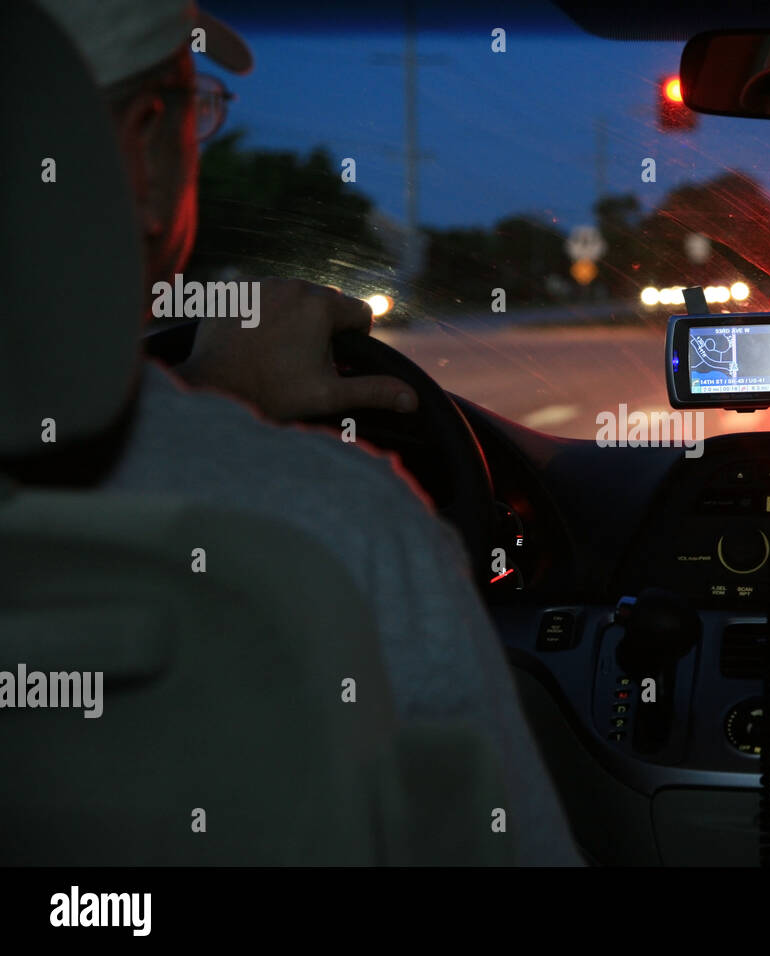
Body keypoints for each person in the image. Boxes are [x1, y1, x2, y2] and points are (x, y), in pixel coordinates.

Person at [34, 0, 581, 865]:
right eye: (198, 108)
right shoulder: (339, 531)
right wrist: (228, 435)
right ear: (143, 149)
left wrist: (205, 397)